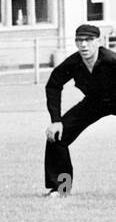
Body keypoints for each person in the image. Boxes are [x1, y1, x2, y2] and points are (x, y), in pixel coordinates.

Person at [43, 24, 116, 196]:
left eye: (88, 40)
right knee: (57, 137)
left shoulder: (111, 61)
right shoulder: (74, 62)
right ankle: (62, 188)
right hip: (94, 103)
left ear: (98, 41)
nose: (83, 45)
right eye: (79, 40)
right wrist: (56, 120)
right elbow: (53, 84)